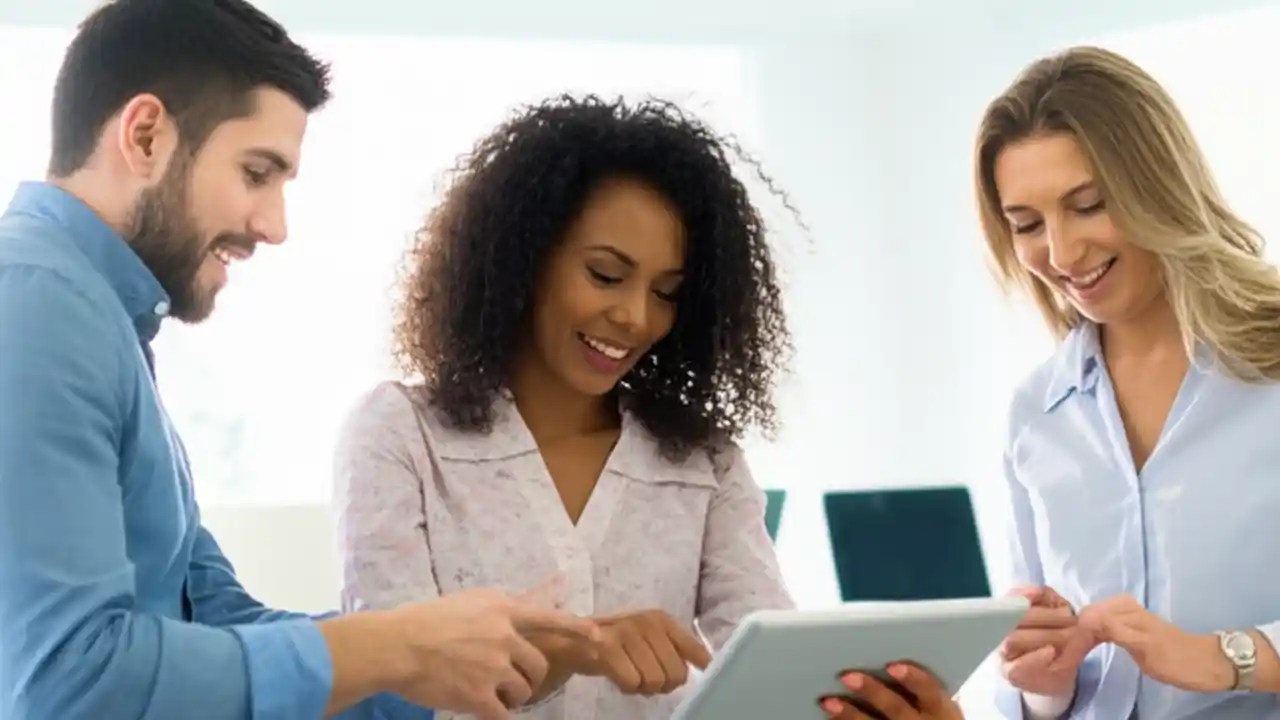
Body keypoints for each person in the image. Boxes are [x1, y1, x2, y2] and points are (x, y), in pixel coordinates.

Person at [0, 2, 601, 719]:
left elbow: (213, 619)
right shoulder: (38, 306)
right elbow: (70, 684)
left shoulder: (98, 318)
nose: (274, 226)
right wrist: (399, 649)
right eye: (257, 172)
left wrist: (454, 659)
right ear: (146, 135)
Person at [333, 94, 965, 720]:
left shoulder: (703, 463)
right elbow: (388, 689)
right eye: (606, 275)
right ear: (522, 260)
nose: (636, 317)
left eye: (666, 293)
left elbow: (770, 668)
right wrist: (570, 652)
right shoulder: (400, 436)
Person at [975, 45, 1280, 719]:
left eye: (1087, 206)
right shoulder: (1036, 413)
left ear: (1159, 186)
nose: (1059, 254)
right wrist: (1043, 684)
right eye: (1026, 224)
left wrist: (1226, 657)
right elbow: (1025, 686)